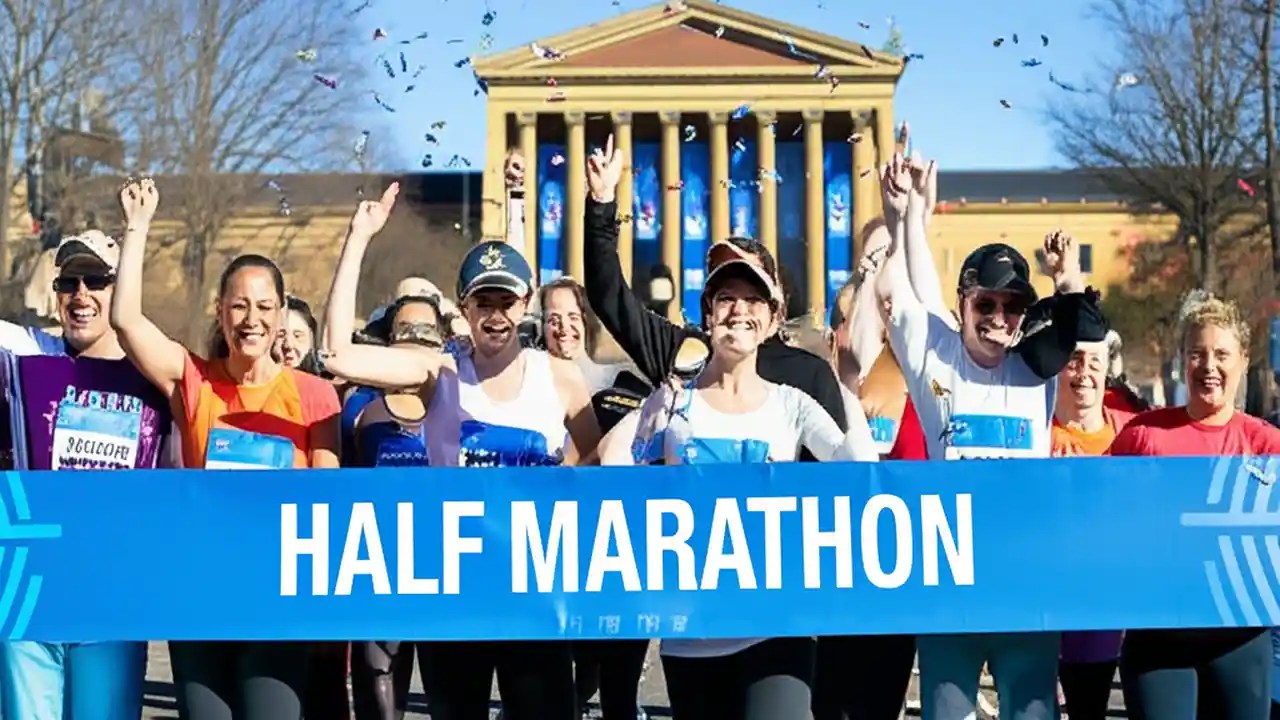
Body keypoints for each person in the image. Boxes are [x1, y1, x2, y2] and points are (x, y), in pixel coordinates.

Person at [321, 182, 601, 720]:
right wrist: (358, 238)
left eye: (506, 301)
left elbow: (594, 474)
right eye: (483, 302)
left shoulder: (561, 379)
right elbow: (337, 354)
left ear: (525, 303)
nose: (495, 315)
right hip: (455, 596)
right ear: (464, 306)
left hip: (532, 596)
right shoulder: (442, 368)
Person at [616, 239, 877, 720]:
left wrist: (848, 387)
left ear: (774, 319)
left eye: (754, 300)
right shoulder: (674, 405)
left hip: (778, 626)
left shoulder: (791, 404)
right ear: (707, 314)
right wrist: (643, 437)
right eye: (726, 299)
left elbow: (856, 472)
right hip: (693, 633)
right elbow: (620, 492)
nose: (740, 311)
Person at [110, 177, 341, 720]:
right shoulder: (193, 380)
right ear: (221, 312)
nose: (251, 320)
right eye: (239, 306)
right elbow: (124, 321)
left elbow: (330, 494)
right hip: (201, 593)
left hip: (276, 597)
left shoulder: (314, 395)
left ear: (282, 314)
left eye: (264, 307)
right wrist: (137, 228)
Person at [875, 144, 1092, 720]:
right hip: (953, 592)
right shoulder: (936, 359)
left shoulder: (1036, 364)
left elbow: (1081, 325)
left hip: (1027, 584)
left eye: (1013, 304)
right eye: (986, 303)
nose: (1000, 315)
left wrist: (1066, 276)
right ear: (963, 304)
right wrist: (905, 218)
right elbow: (910, 293)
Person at [582, 134, 849, 459]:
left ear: (774, 306)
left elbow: (840, 480)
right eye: (725, 292)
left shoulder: (808, 377)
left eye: (753, 295)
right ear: (709, 307)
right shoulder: (683, 356)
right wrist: (601, 204)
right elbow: (609, 297)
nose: (739, 309)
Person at [0, 228, 173, 720]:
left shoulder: (152, 373)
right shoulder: (24, 353)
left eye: (96, 281)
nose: (81, 295)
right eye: (69, 283)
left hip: (111, 600)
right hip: (30, 601)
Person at [1111, 294, 1280, 720]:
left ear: (1243, 361)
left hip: (1240, 637)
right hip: (1159, 638)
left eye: (1221, 354)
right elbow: (1103, 516)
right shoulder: (1143, 435)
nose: (1208, 366)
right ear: (1182, 360)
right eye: (1196, 354)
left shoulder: (1265, 446)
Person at [346, 291, 444, 720]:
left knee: (454, 699)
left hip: (447, 566)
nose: (416, 338)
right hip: (378, 567)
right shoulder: (359, 405)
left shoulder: (462, 403)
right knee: (380, 699)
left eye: (427, 330)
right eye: (406, 329)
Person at [1048, 306, 1133, 720]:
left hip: (1108, 616)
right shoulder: (1034, 433)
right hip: (1044, 617)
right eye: (1073, 361)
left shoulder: (1132, 432)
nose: (1083, 373)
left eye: (1093, 363)